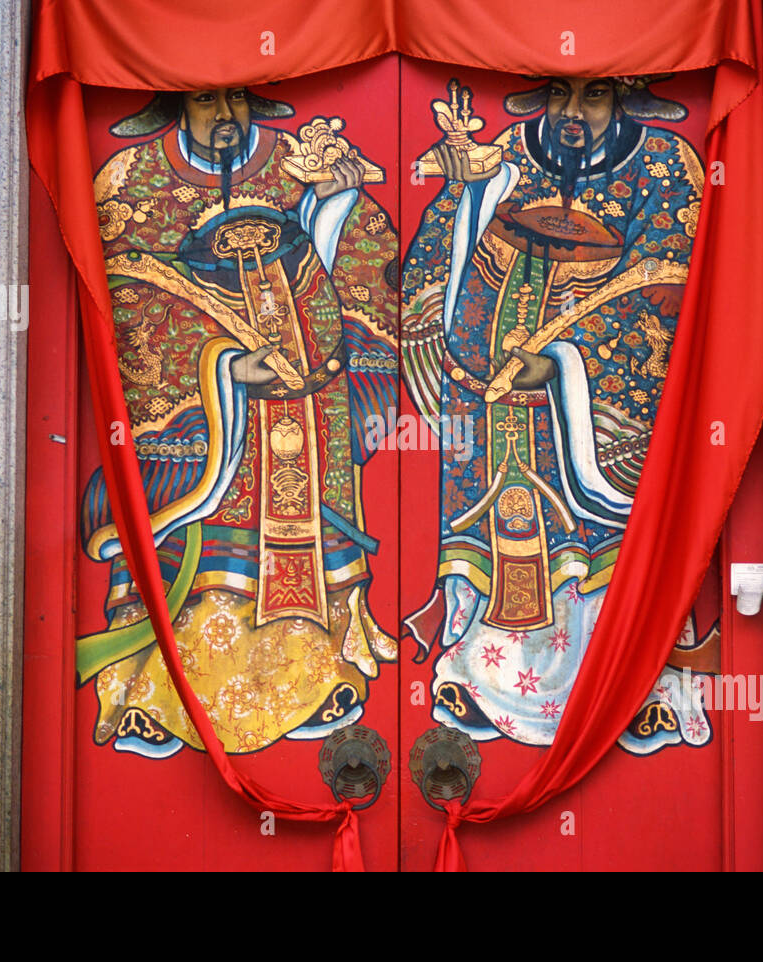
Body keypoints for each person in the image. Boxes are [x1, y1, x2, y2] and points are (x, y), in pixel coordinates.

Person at [78, 87, 399, 756]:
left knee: (297, 546)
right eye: (203, 100)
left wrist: (329, 210)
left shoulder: (301, 162)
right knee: (200, 568)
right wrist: (221, 368)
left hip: (305, 409)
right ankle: (156, 693)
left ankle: (315, 679)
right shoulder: (132, 180)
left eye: (237, 101)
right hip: (201, 427)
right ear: (172, 103)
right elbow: (126, 305)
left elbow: (369, 282)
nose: (224, 119)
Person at [401, 76, 712, 753]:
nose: (572, 116)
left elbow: (665, 291)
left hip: (598, 408)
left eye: (594, 98)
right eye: (561, 96)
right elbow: (435, 256)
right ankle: (485, 681)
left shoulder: (663, 167)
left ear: (624, 100)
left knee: (602, 550)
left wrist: (571, 366)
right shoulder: (507, 153)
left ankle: (635, 689)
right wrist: (470, 199)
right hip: (494, 398)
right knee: (509, 530)